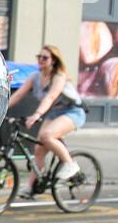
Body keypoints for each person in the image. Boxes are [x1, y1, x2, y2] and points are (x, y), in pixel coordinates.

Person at [6, 45, 85, 197]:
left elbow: (51, 97)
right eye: (39, 57)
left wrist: (36, 115)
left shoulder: (59, 76)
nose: (41, 60)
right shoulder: (35, 77)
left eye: (45, 57)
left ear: (54, 61)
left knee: (47, 136)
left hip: (72, 112)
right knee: (39, 151)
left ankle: (70, 164)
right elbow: (18, 95)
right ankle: (31, 188)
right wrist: (2, 109)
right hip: (53, 113)